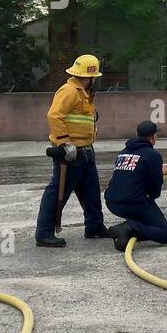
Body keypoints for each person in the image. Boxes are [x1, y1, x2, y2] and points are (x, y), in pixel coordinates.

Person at [35, 54, 109, 248]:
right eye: (95, 77)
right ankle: (44, 233)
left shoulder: (85, 92)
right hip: (71, 153)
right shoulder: (69, 91)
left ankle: (94, 227)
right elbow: (54, 115)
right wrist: (64, 142)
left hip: (85, 151)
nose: (96, 81)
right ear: (89, 76)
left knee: (91, 192)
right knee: (57, 192)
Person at [105, 121, 167, 252]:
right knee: (165, 234)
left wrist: (157, 170)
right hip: (133, 204)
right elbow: (154, 193)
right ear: (154, 137)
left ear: (137, 135)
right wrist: (159, 176)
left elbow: (133, 173)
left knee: (144, 219)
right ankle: (129, 228)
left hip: (112, 203)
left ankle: (128, 229)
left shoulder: (124, 152)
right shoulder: (153, 155)